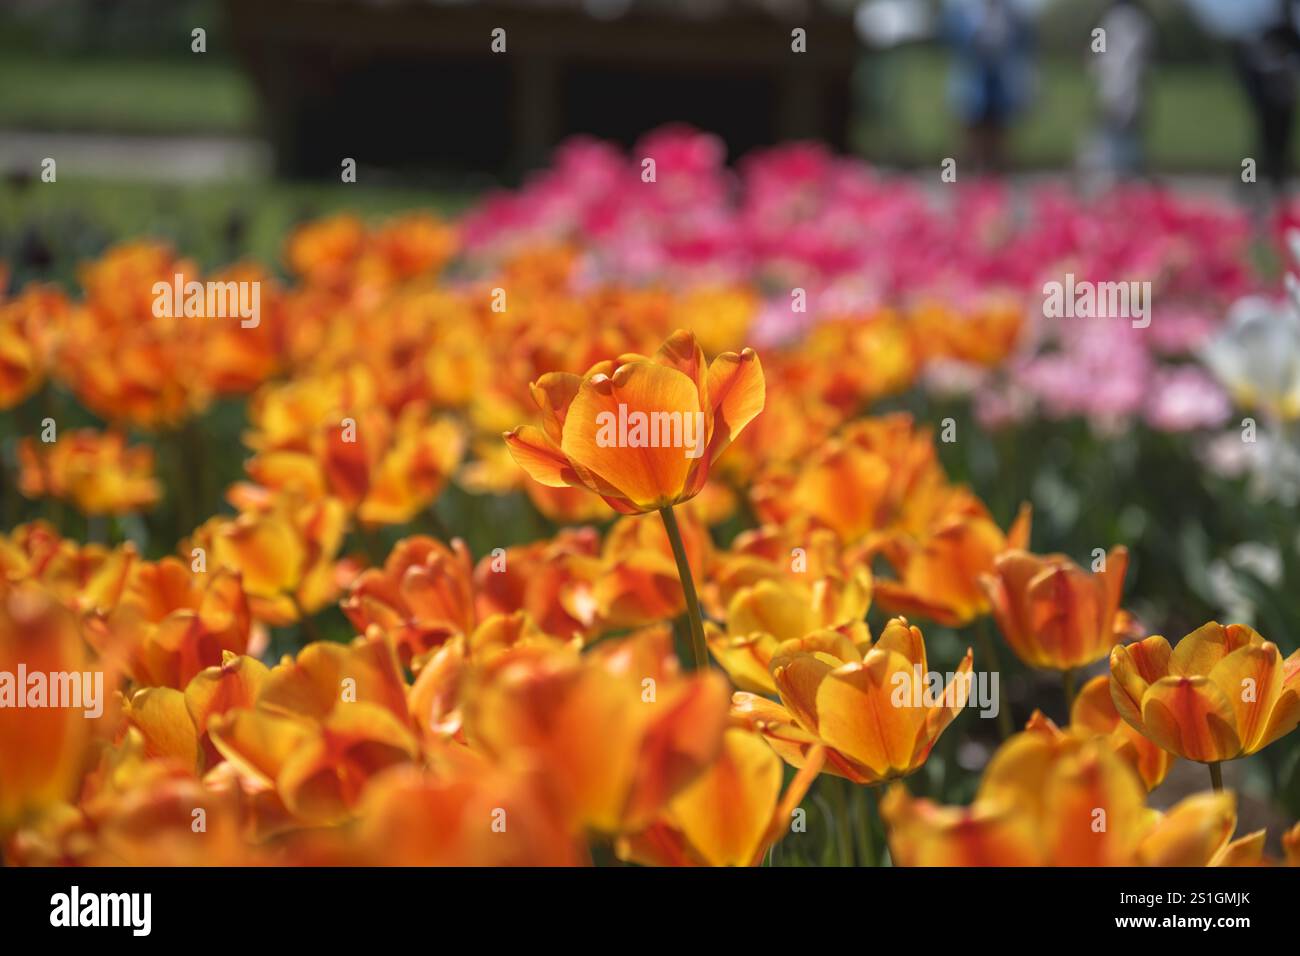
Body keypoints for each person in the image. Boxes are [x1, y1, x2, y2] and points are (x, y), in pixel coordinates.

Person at [943, 0, 1036, 174]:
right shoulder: (964, 10)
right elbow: (955, 40)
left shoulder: (1011, 12)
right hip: (972, 78)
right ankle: (967, 178)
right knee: (971, 131)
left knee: (999, 132)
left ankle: (996, 179)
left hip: (1001, 79)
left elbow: (1022, 45)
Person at [1234, 1, 1300, 192]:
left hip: (1282, 93)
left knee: (1279, 139)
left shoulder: (1286, 33)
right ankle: (1250, 180)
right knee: (1265, 138)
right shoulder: (1266, 34)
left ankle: (1276, 179)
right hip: (1267, 92)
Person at [1089, 0, 1155, 182]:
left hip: (1118, 86)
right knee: (1120, 136)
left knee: (1114, 136)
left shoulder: (1115, 20)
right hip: (1123, 86)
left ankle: (1117, 177)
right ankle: (1122, 176)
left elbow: (1099, 58)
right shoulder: (1136, 20)